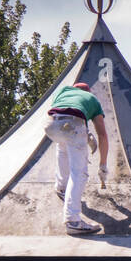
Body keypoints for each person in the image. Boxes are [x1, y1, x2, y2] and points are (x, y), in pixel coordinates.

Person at [45, 81, 108, 235]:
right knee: (79, 173)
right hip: (73, 124)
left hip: (51, 125)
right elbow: (102, 134)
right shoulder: (92, 99)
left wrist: (84, 134)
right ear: (88, 92)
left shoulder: (62, 92)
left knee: (63, 146)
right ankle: (72, 220)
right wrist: (103, 164)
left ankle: (61, 187)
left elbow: (63, 117)